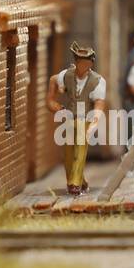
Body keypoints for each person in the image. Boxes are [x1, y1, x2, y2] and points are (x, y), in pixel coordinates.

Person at [46, 42, 106, 195]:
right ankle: (81, 181)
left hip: (84, 119)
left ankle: (74, 184)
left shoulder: (97, 81)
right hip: (69, 117)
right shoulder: (67, 75)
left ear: (91, 63)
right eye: (79, 61)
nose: (82, 65)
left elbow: (99, 105)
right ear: (76, 61)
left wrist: (94, 123)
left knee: (80, 148)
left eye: (86, 62)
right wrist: (54, 103)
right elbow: (53, 80)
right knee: (68, 153)